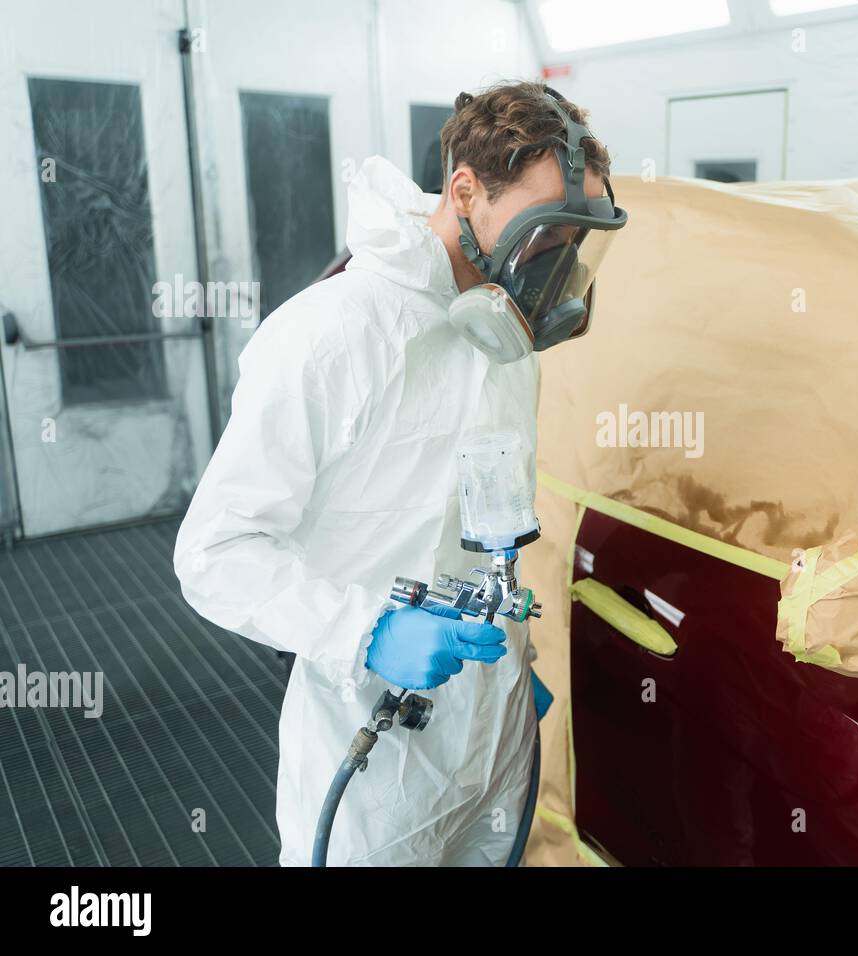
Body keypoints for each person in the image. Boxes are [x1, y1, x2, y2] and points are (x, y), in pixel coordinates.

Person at [174, 81, 625, 866]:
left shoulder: (507, 344)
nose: (560, 269)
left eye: (579, 242)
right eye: (548, 235)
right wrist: (368, 630)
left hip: (495, 739)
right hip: (378, 762)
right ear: (465, 189)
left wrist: (512, 671)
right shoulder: (325, 336)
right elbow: (214, 554)